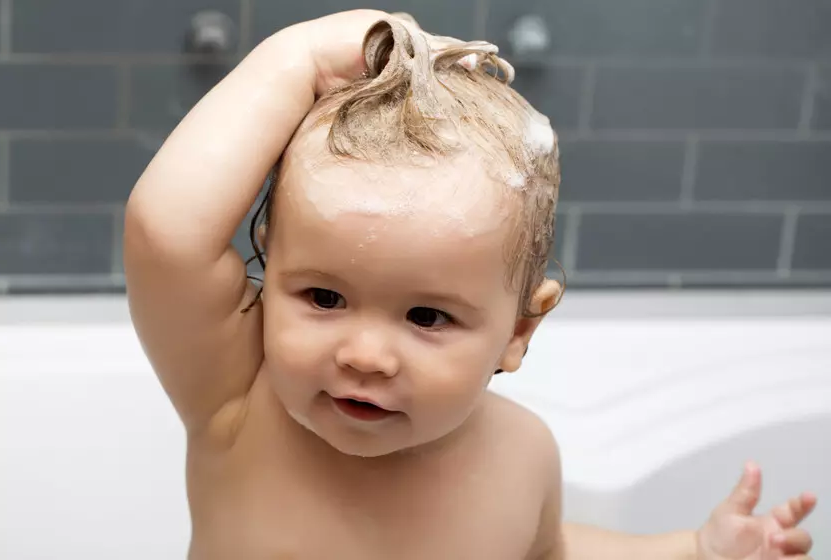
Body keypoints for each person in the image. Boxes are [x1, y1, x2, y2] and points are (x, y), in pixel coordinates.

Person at [124, 9, 817, 559]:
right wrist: (298, 58)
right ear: (269, 275)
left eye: (426, 316)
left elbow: (549, 551)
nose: (365, 354)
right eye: (323, 298)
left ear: (520, 330)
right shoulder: (237, 401)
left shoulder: (521, 457)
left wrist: (693, 550)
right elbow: (167, 233)